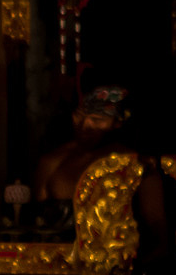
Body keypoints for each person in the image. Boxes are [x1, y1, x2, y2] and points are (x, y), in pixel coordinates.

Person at [33, 86, 130, 224]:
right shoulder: (53, 160)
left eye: (97, 119)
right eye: (79, 116)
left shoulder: (132, 163)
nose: (85, 125)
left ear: (117, 123)